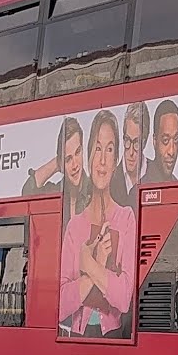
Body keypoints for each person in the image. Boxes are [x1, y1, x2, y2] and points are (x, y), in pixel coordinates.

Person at [60, 110, 136, 338]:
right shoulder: (74, 227)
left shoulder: (126, 218)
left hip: (113, 336)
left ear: (116, 161)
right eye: (98, 148)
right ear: (89, 155)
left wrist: (89, 264)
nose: (102, 160)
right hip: (78, 336)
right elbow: (61, 304)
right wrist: (98, 265)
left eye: (110, 149)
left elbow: (124, 298)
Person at [24, 117, 88, 223]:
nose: (75, 165)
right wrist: (56, 163)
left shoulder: (94, 190)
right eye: (68, 159)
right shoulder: (56, 191)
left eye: (78, 152)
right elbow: (27, 193)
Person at [111, 102, 152, 209]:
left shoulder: (158, 175)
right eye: (127, 140)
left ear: (144, 142)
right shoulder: (110, 181)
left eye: (136, 142)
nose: (131, 152)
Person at [141, 99, 178, 184]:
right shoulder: (142, 187)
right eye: (165, 140)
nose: (171, 151)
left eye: (176, 139)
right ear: (155, 141)